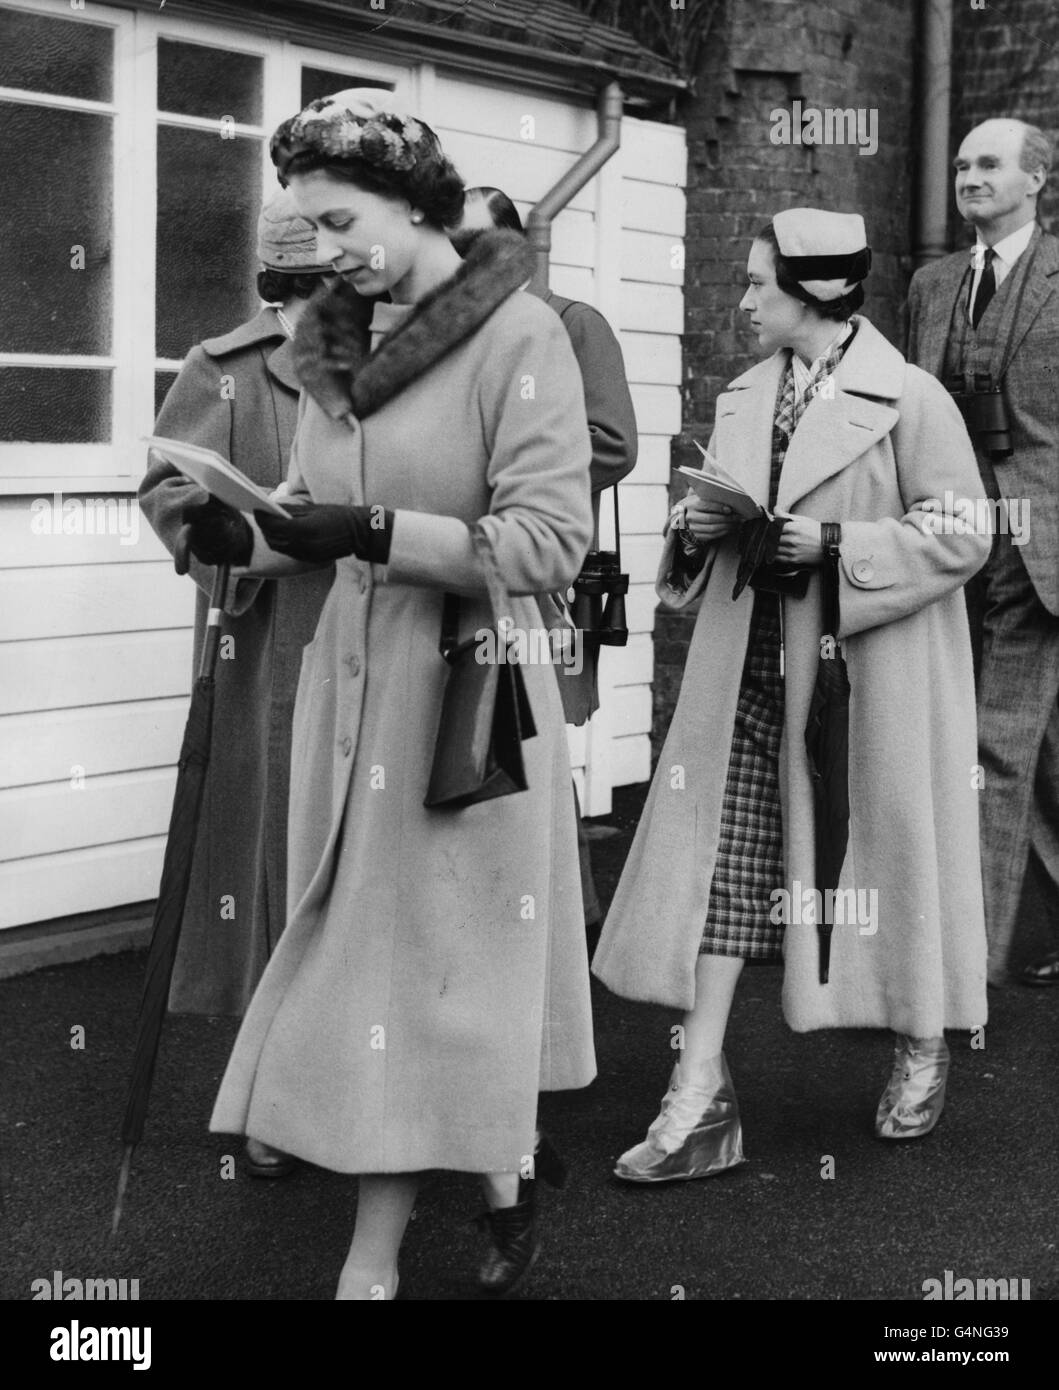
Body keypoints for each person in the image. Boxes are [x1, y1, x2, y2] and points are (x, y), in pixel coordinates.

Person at [175, 89, 596, 1299]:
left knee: (415, 971)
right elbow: (314, 516)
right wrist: (238, 530)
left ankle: (372, 1264)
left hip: (466, 696)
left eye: (346, 221)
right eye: (311, 227)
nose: (330, 252)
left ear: (421, 205)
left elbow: (545, 545)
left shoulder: (521, 340)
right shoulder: (332, 341)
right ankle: (504, 1170)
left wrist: (373, 527)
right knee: (399, 965)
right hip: (347, 692)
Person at [593, 208, 990, 1182]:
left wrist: (842, 547)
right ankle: (698, 1099)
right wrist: (696, 526)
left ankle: (923, 1044)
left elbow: (966, 529)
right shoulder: (744, 396)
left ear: (812, 292)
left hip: (868, 683)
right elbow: (728, 521)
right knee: (723, 871)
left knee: (889, 864)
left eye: (758, 285)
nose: (741, 301)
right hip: (754, 673)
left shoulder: (912, 399)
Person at [138, 190, 338, 1178]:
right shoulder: (222, 368)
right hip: (261, 643)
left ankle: (350, 1079)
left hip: (363, 631)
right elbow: (166, 488)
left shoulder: (378, 368)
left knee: (348, 857)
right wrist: (223, 534)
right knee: (265, 859)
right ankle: (264, 1093)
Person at [451, 186, 639, 931]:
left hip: (540, 568)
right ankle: (482, 911)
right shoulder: (452, 330)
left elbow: (613, 442)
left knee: (532, 732)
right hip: (460, 561)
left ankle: (559, 915)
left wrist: (503, 465)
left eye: (476, 242)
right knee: (468, 733)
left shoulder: (569, 323)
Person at [907, 119, 1059, 988]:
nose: (968, 176)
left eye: (989, 164)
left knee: (994, 746)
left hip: (1038, 549)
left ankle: (963, 969)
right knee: (1026, 756)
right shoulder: (931, 284)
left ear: (1035, 179)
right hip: (948, 535)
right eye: (960, 163)